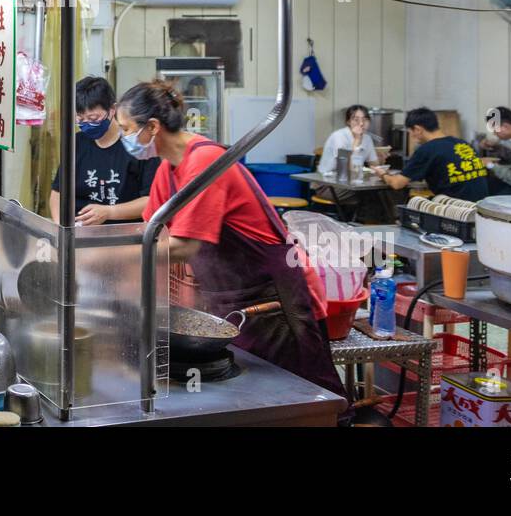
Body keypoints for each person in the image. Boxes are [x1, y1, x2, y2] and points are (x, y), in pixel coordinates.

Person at [118, 80, 346, 403]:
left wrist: (114, 258)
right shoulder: (166, 172)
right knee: (253, 397)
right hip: (231, 301)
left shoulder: (205, 160)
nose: (123, 138)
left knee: (305, 395)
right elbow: (149, 234)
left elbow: (184, 245)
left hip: (275, 299)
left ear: (152, 126)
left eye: (126, 129)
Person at [48, 76, 159, 225]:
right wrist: (61, 227)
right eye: (80, 120)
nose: (87, 124)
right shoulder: (76, 143)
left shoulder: (138, 145)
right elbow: (58, 192)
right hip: (78, 234)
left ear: (112, 110)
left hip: (124, 236)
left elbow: (151, 201)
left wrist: (109, 212)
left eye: (94, 118)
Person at [373, 106, 488, 200]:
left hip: (457, 209)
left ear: (418, 129)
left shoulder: (427, 149)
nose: (411, 137)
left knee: (411, 202)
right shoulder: (463, 143)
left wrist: (383, 174)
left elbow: (397, 184)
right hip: (480, 207)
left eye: (410, 132)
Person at [317, 104, 379, 175]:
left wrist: (381, 159)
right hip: (328, 179)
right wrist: (357, 140)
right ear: (348, 122)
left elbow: (374, 164)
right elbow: (348, 168)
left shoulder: (367, 138)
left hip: (353, 178)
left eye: (365, 120)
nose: (361, 123)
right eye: (356, 120)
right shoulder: (338, 136)